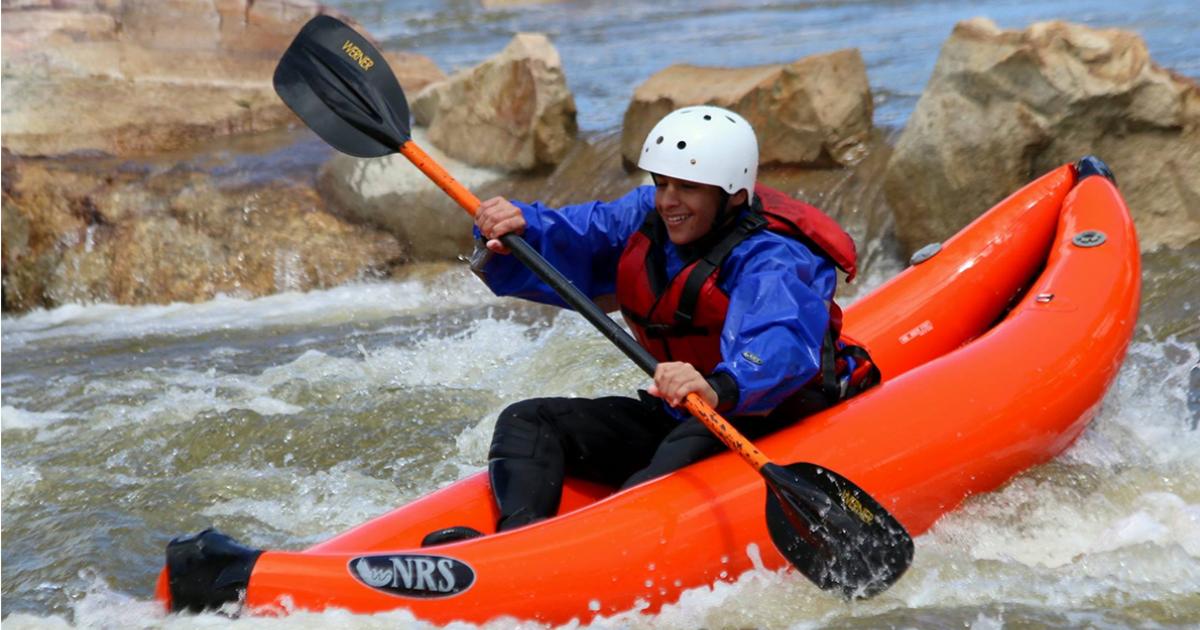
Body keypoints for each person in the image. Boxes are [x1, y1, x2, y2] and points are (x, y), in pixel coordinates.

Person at [422, 106, 876, 546]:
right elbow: (579, 234)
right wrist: (519, 227)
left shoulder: (773, 255)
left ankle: (593, 552)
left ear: (734, 194)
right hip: (687, 407)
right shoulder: (647, 217)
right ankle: (517, 543)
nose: (668, 200)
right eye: (662, 183)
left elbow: (779, 342)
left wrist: (721, 384)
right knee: (528, 419)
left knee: (670, 464)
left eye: (688, 188)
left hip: (766, 410)